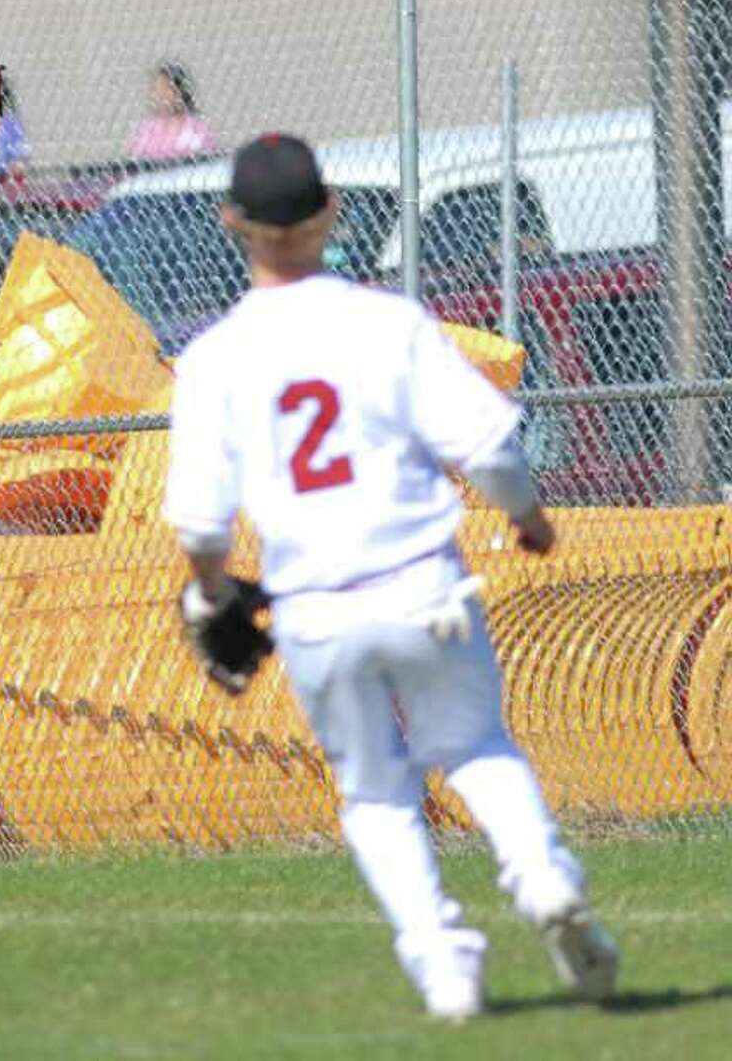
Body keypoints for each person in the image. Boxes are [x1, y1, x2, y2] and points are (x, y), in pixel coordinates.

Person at [164, 133, 619, 1023]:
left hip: (317, 611)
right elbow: (488, 447)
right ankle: (544, 882)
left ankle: (445, 967)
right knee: (479, 748)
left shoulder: (214, 357)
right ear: (331, 211)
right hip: (421, 584)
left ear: (233, 224)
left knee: (376, 793)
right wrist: (526, 519)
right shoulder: (387, 321)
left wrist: (213, 592)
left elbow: (203, 525)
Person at [128, 61, 217, 161]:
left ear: (180, 91)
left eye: (166, 88)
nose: (160, 94)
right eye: (157, 89)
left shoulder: (197, 129)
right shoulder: (147, 131)